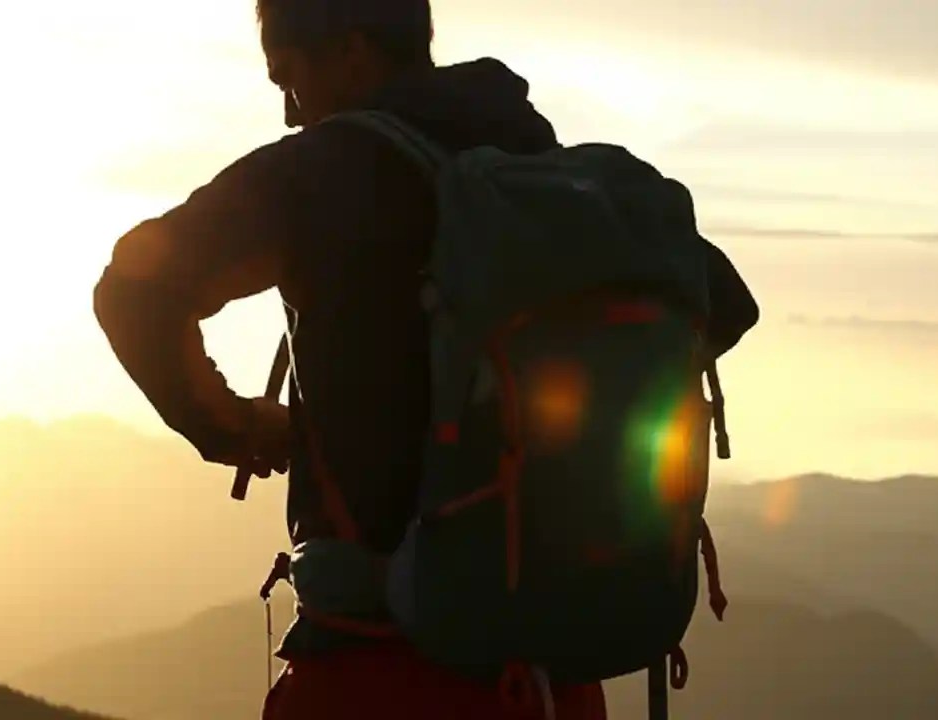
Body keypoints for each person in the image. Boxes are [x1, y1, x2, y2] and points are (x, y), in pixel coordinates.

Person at [93, 1, 760, 718]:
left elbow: (135, 291)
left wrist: (238, 427)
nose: (289, 112)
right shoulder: (552, 176)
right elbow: (723, 303)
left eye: (289, 79)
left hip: (374, 673)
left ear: (352, 51)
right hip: (552, 681)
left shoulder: (319, 175)